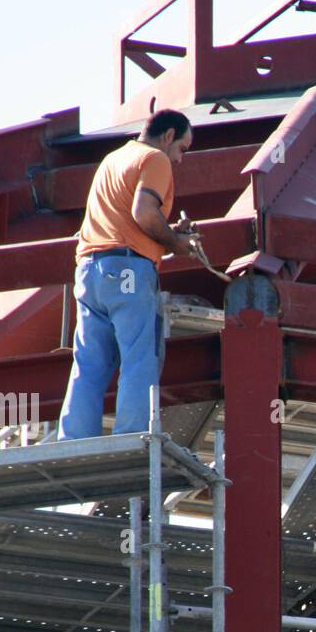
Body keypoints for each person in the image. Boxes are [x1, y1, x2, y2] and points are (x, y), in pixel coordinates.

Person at [57, 109, 197, 440]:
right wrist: (178, 242)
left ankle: (74, 441)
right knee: (138, 356)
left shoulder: (112, 160)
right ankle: (134, 438)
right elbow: (143, 212)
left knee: (89, 363)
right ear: (167, 136)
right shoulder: (155, 159)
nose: (179, 159)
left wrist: (168, 232)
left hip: (90, 271)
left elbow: (124, 218)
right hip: (127, 271)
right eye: (182, 149)